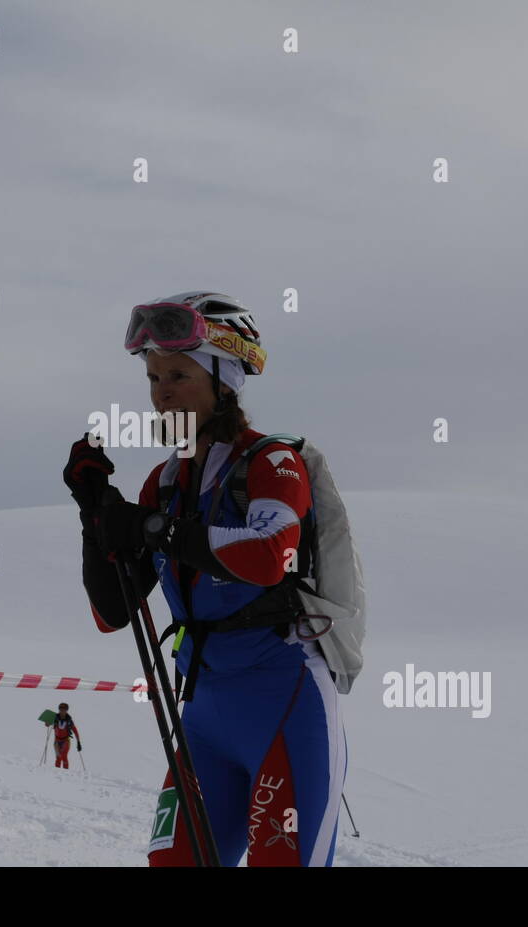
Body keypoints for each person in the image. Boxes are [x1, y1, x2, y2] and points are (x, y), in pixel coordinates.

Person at [64, 291, 346, 867]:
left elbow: (270, 556)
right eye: (153, 377)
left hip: (283, 702)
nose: (160, 391)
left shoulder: (272, 463)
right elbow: (112, 613)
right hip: (205, 715)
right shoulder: (165, 483)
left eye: (178, 375)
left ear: (225, 380)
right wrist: (94, 513)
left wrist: (151, 528)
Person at [52, 702, 81, 770]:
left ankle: (66, 774)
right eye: (61, 709)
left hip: (66, 740)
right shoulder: (55, 718)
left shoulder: (69, 720)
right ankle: (56, 773)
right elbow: (47, 724)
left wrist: (78, 742)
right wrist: (47, 723)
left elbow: (75, 731)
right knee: (58, 758)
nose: (62, 711)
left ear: (66, 710)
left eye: (64, 709)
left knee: (64, 756)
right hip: (57, 741)